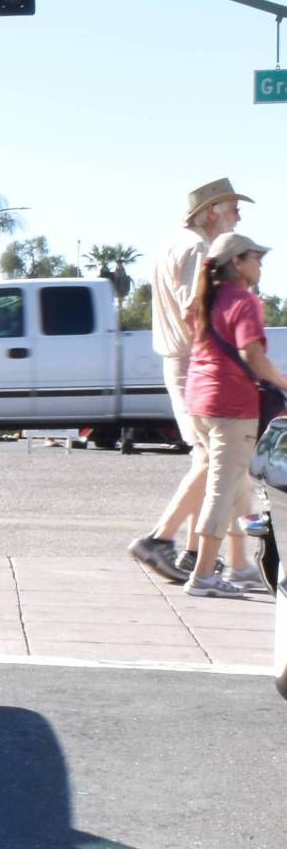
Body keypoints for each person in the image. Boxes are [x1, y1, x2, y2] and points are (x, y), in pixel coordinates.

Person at [131, 178, 250, 582]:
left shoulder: (174, 244)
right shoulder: (196, 248)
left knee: (209, 457)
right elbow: (194, 310)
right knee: (214, 457)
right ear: (212, 210)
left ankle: (196, 552)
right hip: (192, 360)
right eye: (233, 207)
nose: (238, 215)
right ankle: (160, 539)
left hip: (183, 361)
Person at [180, 234, 286, 598]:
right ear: (237, 262)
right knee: (223, 490)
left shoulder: (205, 298)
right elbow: (252, 358)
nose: (260, 265)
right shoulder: (244, 301)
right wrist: (284, 381)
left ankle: (240, 565)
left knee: (237, 486)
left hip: (200, 400)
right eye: (256, 258)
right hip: (231, 406)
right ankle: (203, 575)